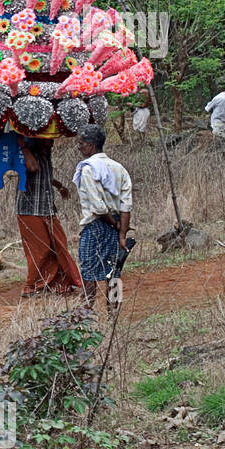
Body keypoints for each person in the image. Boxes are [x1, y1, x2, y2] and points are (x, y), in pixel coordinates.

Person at [72, 125, 133, 311]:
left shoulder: (88, 169)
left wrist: (113, 224)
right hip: (116, 224)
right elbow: (126, 204)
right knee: (114, 272)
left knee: (89, 272)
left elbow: (98, 207)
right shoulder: (119, 168)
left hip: (96, 225)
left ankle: (85, 317)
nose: (79, 147)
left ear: (91, 145)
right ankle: (113, 314)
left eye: (81, 144)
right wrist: (122, 231)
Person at [17, 137, 83, 297]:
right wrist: (23, 145)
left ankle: (57, 283)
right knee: (41, 248)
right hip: (29, 208)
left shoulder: (45, 153)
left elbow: (44, 175)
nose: (52, 141)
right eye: (49, 138)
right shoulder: (26, 152)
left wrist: (59, 186)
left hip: (46, 206)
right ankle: (32, 286)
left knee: (58, 243)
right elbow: (32, 167)